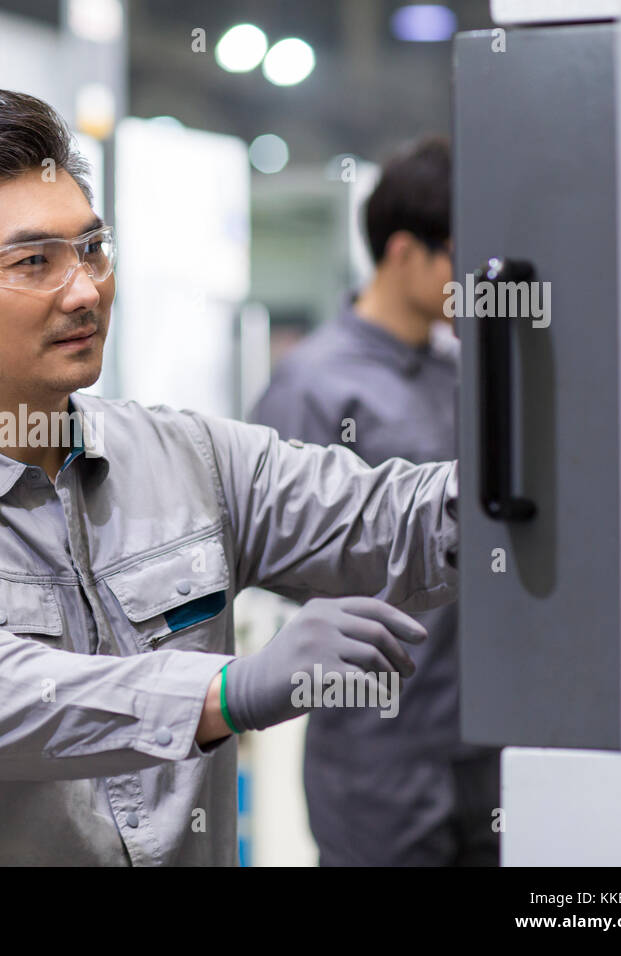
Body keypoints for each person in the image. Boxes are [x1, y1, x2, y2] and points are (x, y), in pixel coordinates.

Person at [0, 88, 461, 866]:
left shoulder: (191, 457)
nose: (84, 291)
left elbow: (395, 517)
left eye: (92, 249)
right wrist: (226, 691)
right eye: (34, 261)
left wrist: (548, 459)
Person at [250, 135, 502, 865]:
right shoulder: (314, 385)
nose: (474, 281)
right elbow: (276, 555)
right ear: (403, 252)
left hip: (479, 742)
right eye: (461, 256)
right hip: (378, 753)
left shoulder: (465, 371)